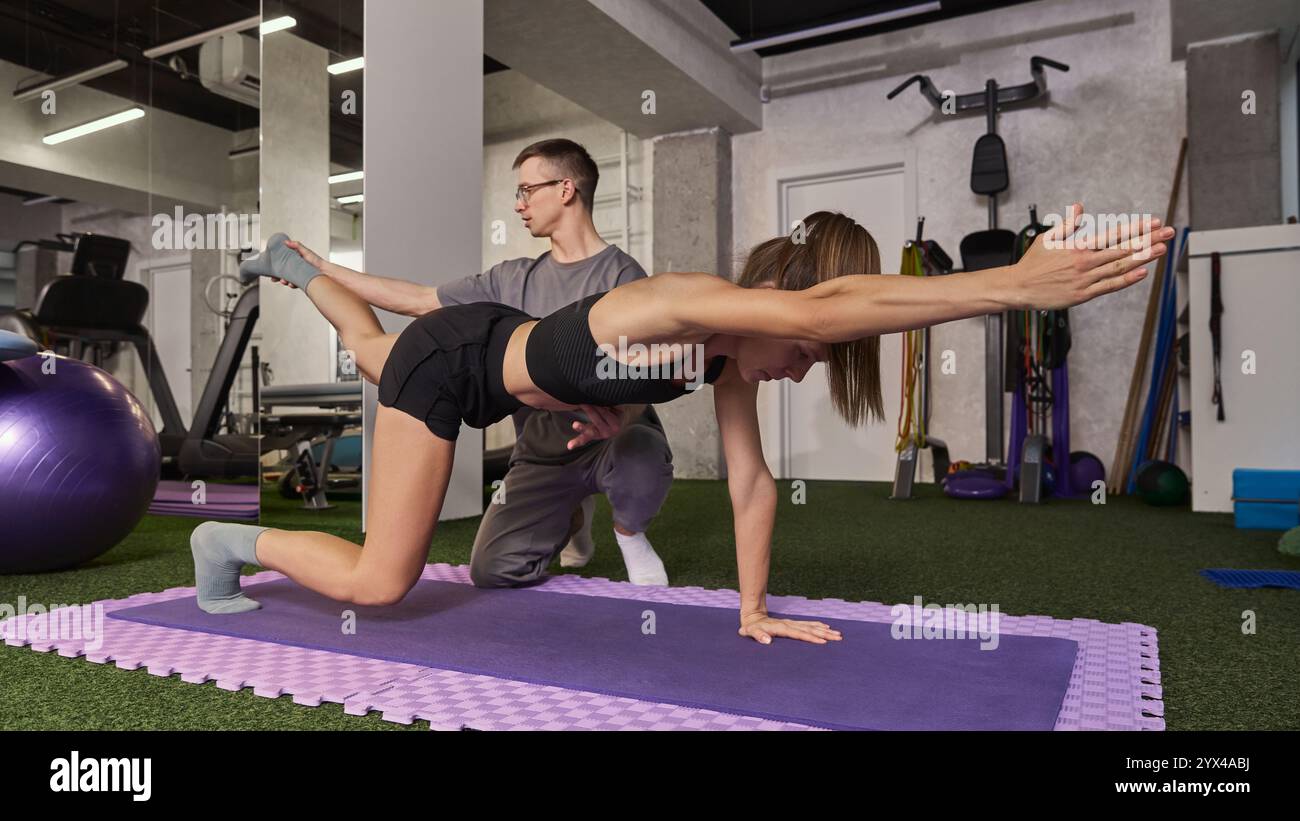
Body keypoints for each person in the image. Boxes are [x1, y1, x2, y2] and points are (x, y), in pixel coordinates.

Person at [196, 205, 1172, 646]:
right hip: (455, 359)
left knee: (373, 353)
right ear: (773, 310)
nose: (802, 364)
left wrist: (753, 610)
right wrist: (1009, 285)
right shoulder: (685, 304)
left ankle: (292, 266)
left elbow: (749, 484)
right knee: (383, 577)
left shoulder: (720, 362)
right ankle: (225, 541)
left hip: (492, 360)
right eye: (805, 349)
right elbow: (819, 310)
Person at [278, 139, 675, 586]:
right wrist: (322, 267)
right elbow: (418, 300)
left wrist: (625, 419)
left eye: (527, 190)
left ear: (566, 189)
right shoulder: (512, 278)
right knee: (493, 572)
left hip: (611, 441)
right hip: (543, 455)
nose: (518, 204)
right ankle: (572, 519)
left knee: (640, 456)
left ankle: (630, 533)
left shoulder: (622, 276)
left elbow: (647, 368)